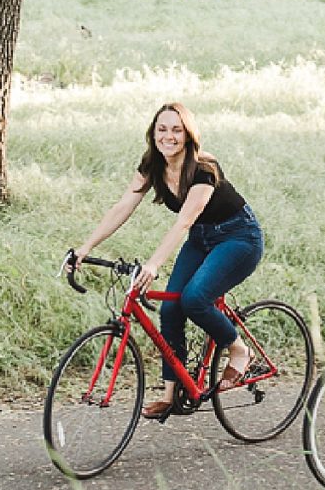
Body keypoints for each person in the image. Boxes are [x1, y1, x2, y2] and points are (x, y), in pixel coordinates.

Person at [66, 102, 265, 419]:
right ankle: (172, 394)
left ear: (188, 135)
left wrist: (154, 263)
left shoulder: (203, 169)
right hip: (201, 238)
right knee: (171, 307)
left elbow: (183, 221)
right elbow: (123, 206)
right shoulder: (152, 165)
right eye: (162, 129)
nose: (168, 136)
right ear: (153, 133)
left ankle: (239, 350)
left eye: (176, 129)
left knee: (195, 298)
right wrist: (85, 247)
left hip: (238, 237)